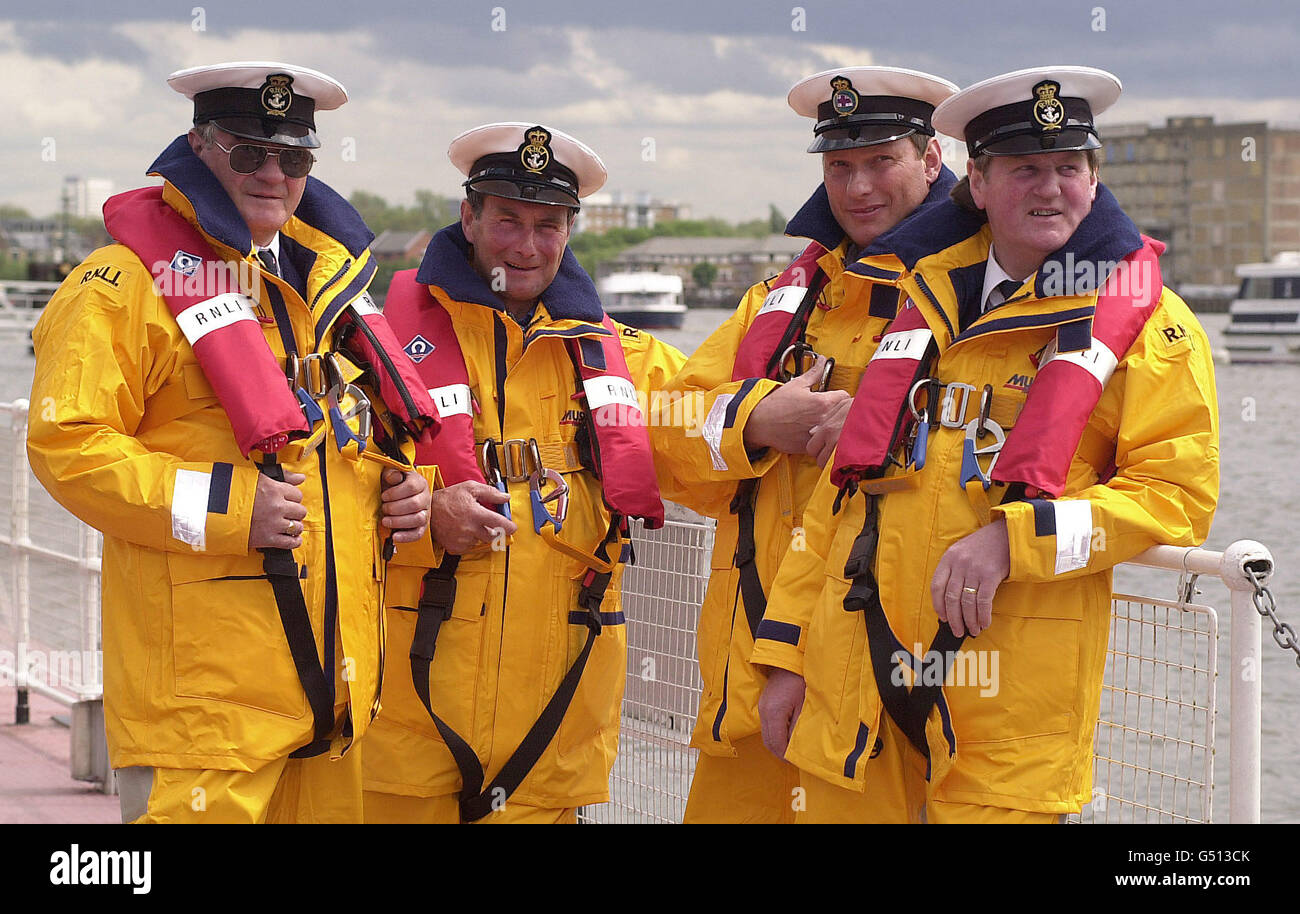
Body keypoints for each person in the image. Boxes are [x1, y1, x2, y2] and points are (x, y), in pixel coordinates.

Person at [753, 66, 1220, 823]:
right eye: (1025, 168)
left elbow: (1178, 499)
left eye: (1070, 167)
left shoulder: (1154, 328)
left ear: (1095, 178)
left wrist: (1017, 539)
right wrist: (783, 658)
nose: (1050, 188)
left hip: (1006, 715)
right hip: (855, 689)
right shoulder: (922, 299)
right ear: (979, 180)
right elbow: (838, 499)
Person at [27, 62, 439, 823]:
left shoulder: (324, 288)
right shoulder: (121, 286)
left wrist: (400, 484)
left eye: (294, 157)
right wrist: (228, 508)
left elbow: (340, 439)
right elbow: (67, 446)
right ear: (199, 145)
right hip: (204, 717)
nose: (272, 174)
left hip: (332, 699)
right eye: (248, 152)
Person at [653, 67, 958, 823]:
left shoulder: (978, 293)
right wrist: (757, 421)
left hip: (892, 693)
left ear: (931, 159)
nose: (858, 188)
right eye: (839, 166)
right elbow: (662, 433)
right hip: (751, 680)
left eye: (881, 161)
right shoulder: (783, 298)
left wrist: (888, 419)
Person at [360, 122, 688, 824]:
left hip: (550, 743)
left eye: (549, 224)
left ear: (572, 230)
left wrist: (770, 415)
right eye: (507, 218)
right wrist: (427, 519)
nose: (527, 245)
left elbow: (708, 428)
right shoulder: (377, 349)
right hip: (404, 739)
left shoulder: (624, 358)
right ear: (469, 217)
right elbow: (321, 498)